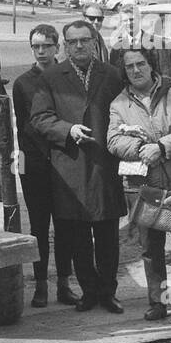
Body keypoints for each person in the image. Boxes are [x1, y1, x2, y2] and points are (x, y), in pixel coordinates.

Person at [29, 18, 126, 313]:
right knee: (78, 235)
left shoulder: (112, 75)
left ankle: (108, 292)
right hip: (69, 165)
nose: (79, 46)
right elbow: (39, 118)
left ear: (95, 42)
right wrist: (67, 130)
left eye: (85, 40)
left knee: (108, 233)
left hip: (104, 164)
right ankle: (89, 291)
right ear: (66, 45)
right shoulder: (52, 77)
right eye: (73, 42)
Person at [107, 47, 171, 321]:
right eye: (130, 66)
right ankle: (159, 303)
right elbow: (113, 140)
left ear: (151, 66)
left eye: (140, 64)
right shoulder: (119, 104)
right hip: (145, 188)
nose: (136, 70)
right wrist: (139, 148)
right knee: (151, 249)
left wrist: (161, 147)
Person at [13, 25, 76, 307]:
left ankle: (64, 283)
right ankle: (41, 285)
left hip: (65, 160)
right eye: (36, 47)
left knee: (65, 225)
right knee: (38, 226)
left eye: (46, 46)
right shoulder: (23, 83)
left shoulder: (67, 76)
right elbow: (21, 128)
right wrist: (23, 164)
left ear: (56, 47)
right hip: (35, 163)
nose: (41, 52)